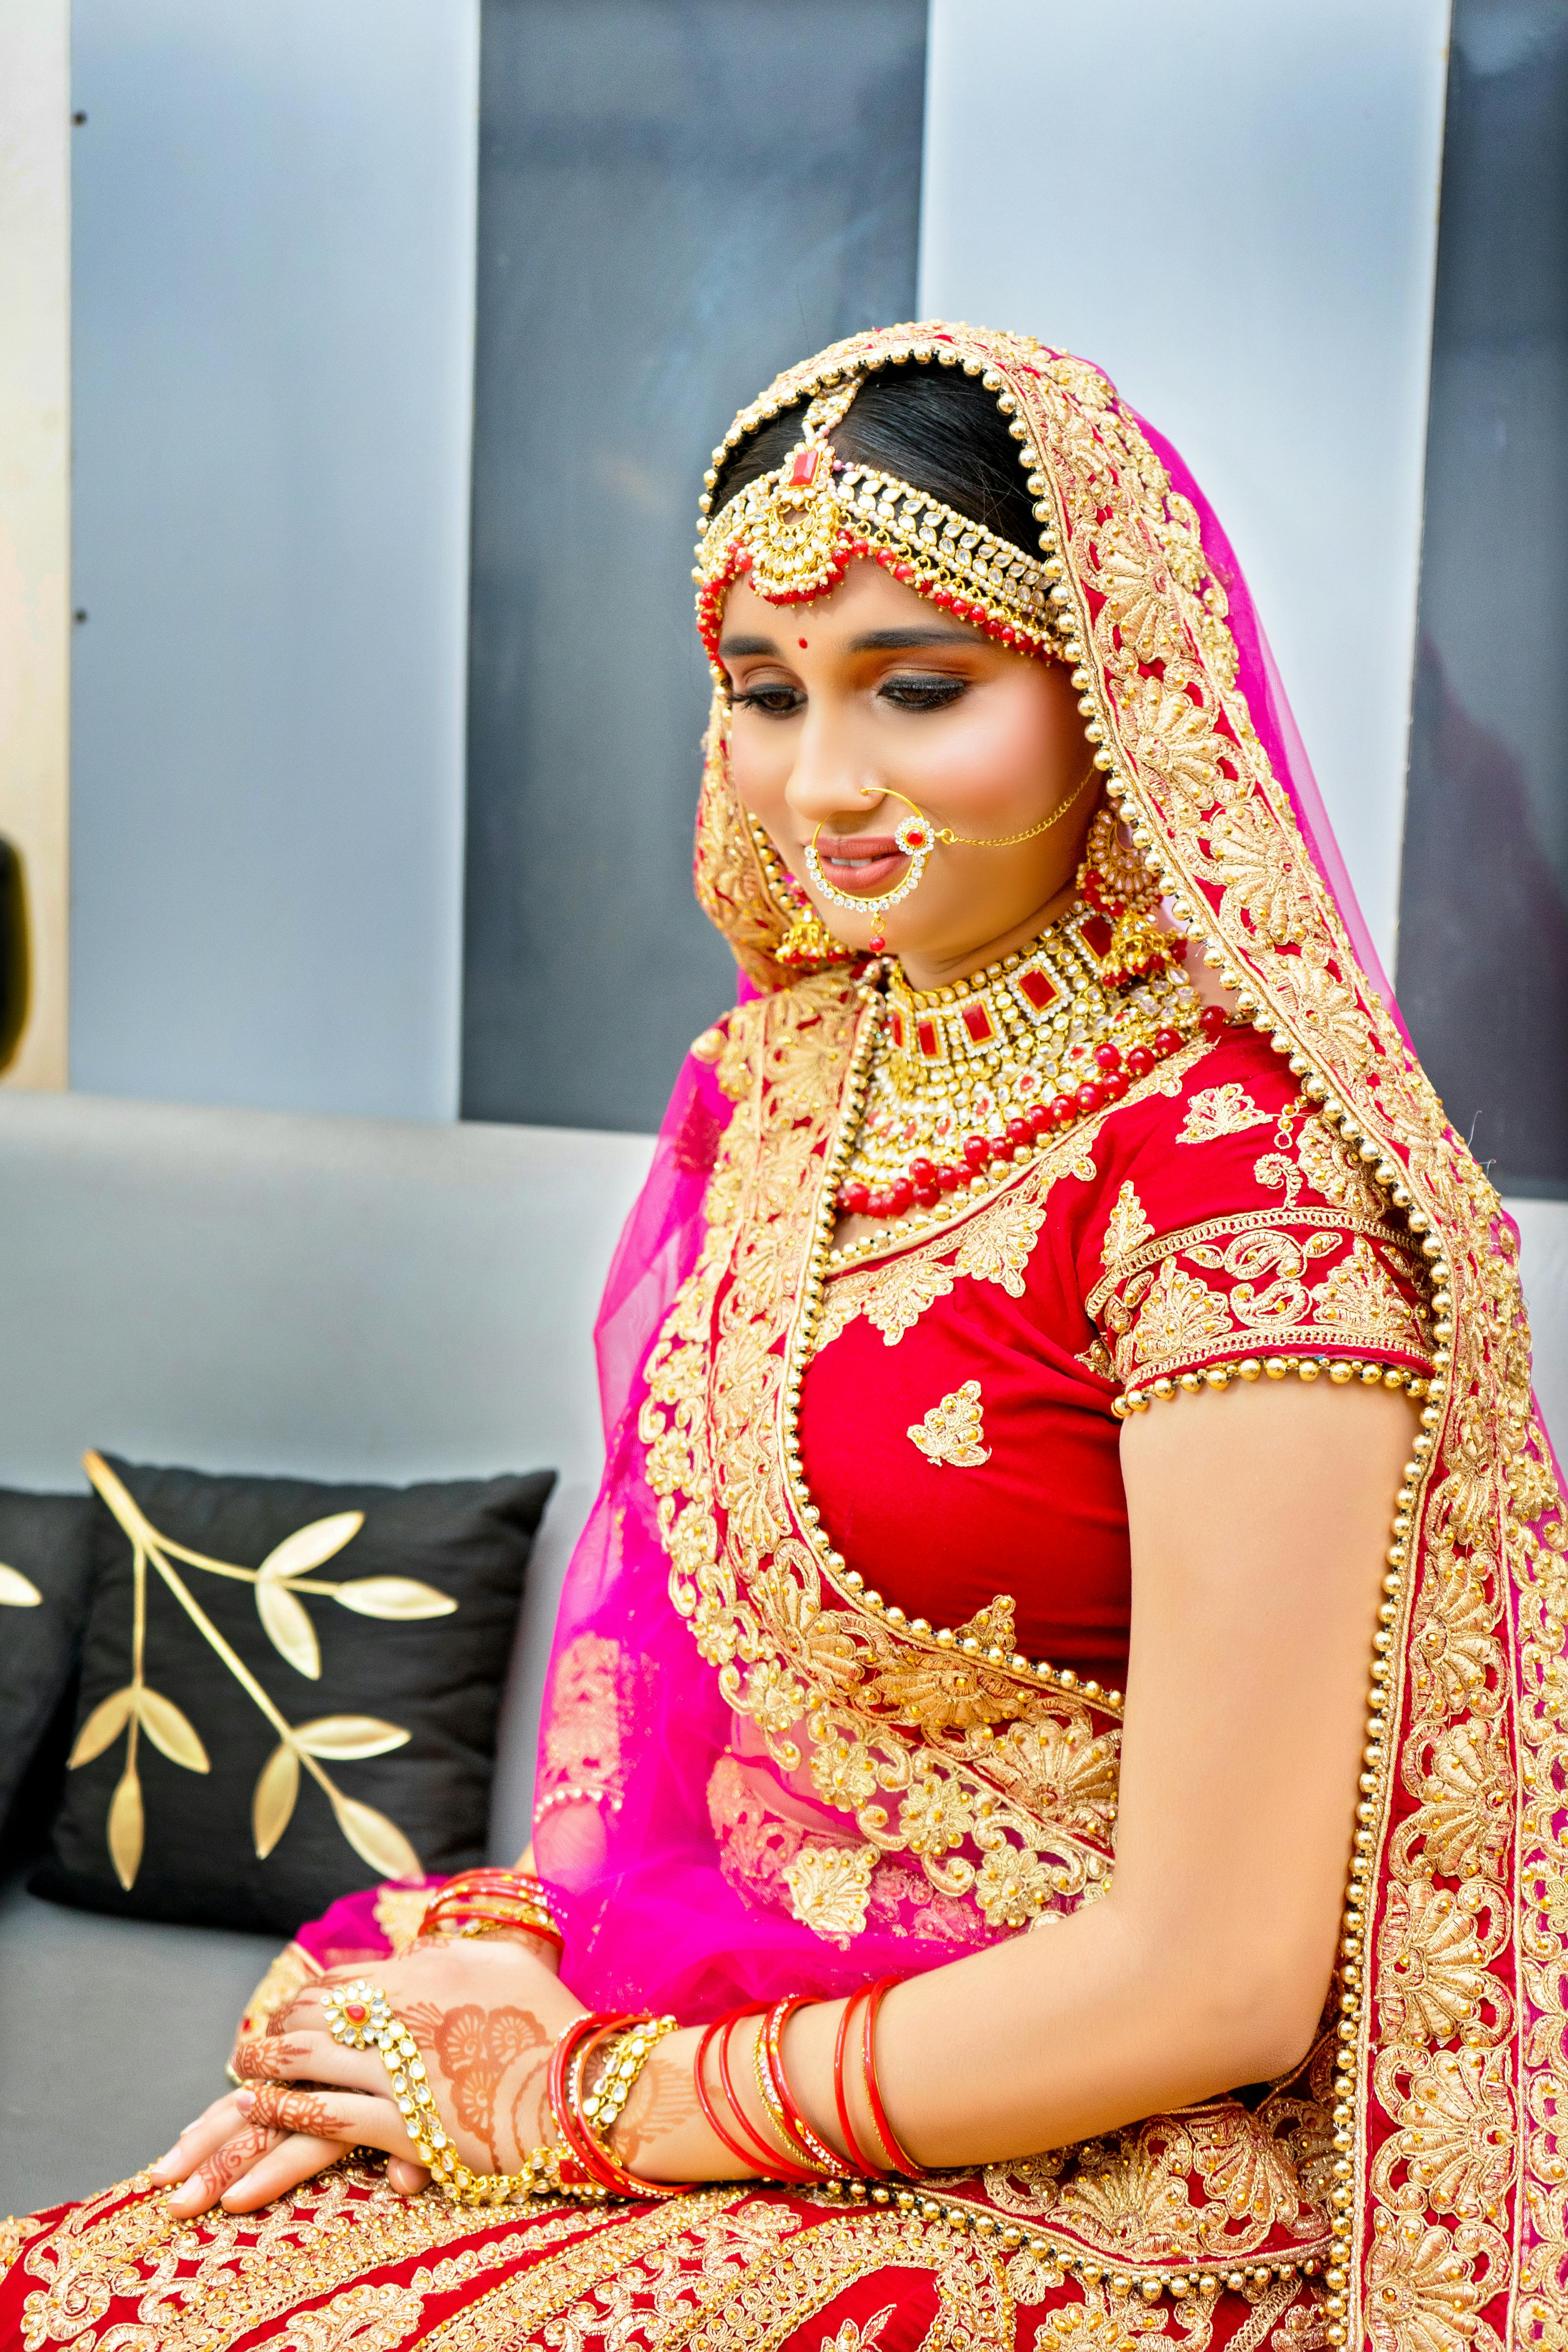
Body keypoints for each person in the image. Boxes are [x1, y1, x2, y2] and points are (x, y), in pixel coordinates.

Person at [4, 321, 1560, 2352]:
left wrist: (584, 2098)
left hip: (1100, 2169)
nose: (826, 780)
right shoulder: (782, 1086)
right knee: (91, 2283)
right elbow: (673, 1726)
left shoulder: (1236, 1190)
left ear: (1111, 689)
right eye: (765, 694)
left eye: (922, 688)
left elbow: (1220, 1982)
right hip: (744, 2040)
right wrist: (489, 1990)